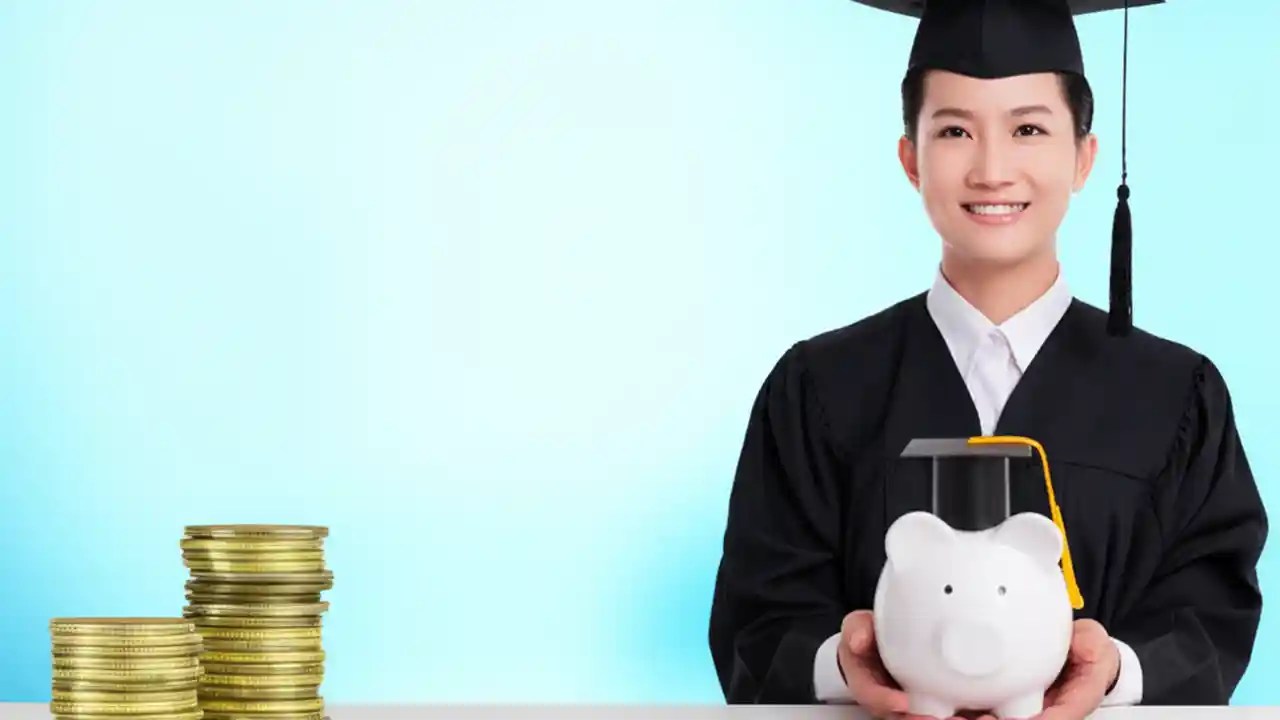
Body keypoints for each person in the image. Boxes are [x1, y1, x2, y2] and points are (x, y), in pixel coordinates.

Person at [707, 0, 1269, 716]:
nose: (992, 168)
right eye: (954, 131)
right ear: (910, 158)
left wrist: (1115, 672)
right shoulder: (819, 388)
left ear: (1084, 157)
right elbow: (758, 619)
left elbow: (1210, 610)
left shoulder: (1175, 394)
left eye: (1029, 128)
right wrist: (845, 664)